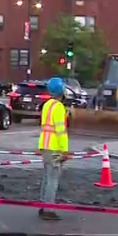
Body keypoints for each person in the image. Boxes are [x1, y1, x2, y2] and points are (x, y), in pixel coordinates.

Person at [37, 76, 70, 221]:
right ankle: (48, 209)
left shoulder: (47, 105)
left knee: (46, 177)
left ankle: (43, 205)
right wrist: (64, 150)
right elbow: (60, 131)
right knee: (52, 179)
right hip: (54, 147)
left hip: (45, 145)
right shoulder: (59, 107)